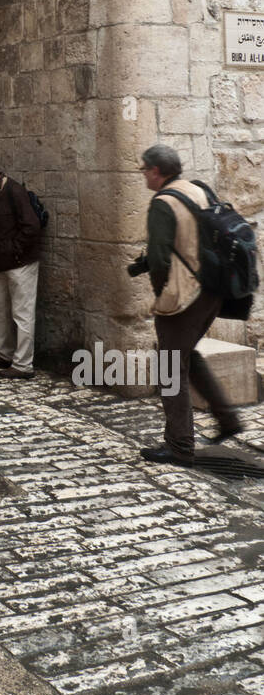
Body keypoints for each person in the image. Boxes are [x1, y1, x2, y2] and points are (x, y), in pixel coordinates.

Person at [135, 144, 242, 464]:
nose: (143, 174)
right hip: (212, 288)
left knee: (169, 365)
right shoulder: (196, 190)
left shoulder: (163, 202)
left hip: (186, 295)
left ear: (156, 171)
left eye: (144, 169)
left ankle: (180, 446)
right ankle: (227, 419)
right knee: (185, 355)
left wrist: (163, 296)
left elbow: (159, 258)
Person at [0, 165, 42, 379]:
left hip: (20, 263)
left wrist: (14, 249)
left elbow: (32, 226)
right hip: (3, 264)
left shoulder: (15, 192)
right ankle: (4, 354)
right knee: (0, 310)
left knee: (22, 314)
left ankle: (23, 365)